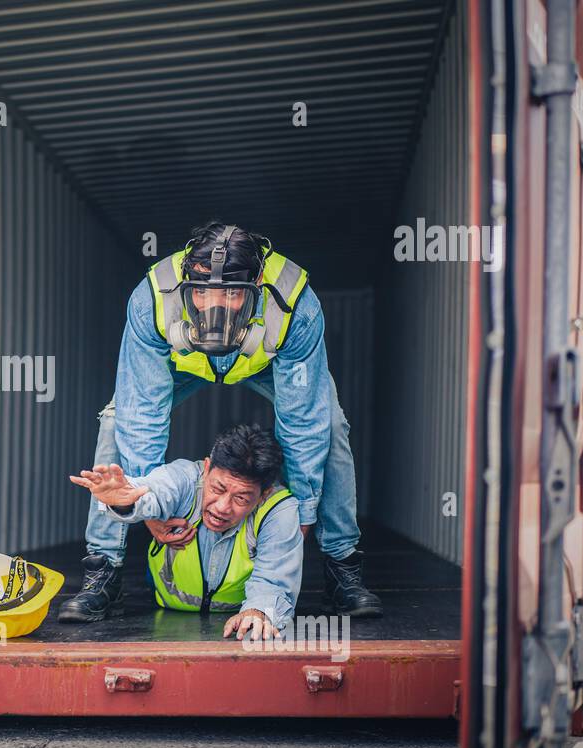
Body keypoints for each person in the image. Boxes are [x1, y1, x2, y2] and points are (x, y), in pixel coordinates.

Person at [59, 220, 381, 623]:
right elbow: (143, 410)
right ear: (187, 282)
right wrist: (145, 504)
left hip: (260, 361)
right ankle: (103, 569)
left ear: (258, 281)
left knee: (330, 425)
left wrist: (300, 516)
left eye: (231, 293)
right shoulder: (152, 299)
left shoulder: (297, 304)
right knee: (116, 421)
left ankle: (342, 568)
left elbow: (303, 421)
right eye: (204, 292)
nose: (215, 304)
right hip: (185, 364)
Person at [68, 424, 301, 640]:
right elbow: (154, 490)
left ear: (263, 494)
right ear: (207, 467)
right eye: (218, 488)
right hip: (167, 611)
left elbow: (274, 579)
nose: (222, 507)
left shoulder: (278, 509)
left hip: (233, 622)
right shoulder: (184, 478)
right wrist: (124, 502)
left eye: (241, 498)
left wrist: (258, 611)